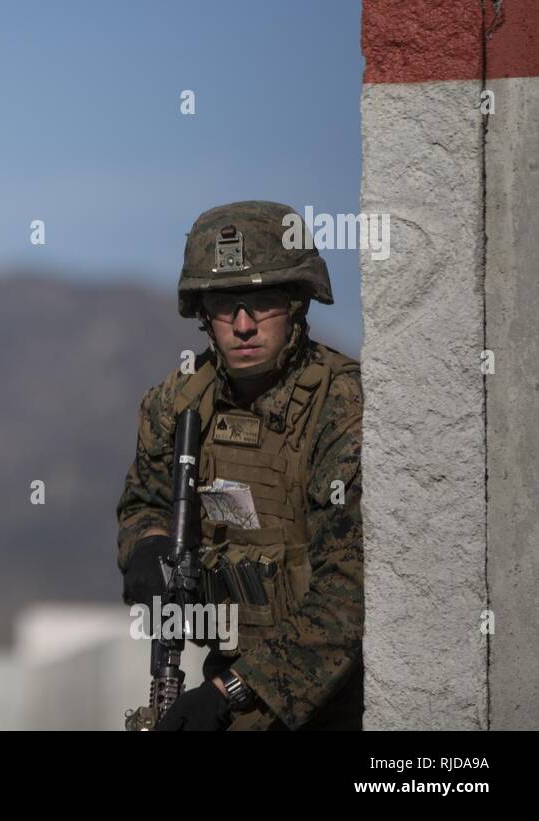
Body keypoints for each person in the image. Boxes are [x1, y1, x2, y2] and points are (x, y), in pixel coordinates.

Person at [117, 201, 363, 731]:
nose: (244, 326)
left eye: (263, 302)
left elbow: (349, 595)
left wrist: (232, 690)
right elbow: (144, 502)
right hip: (227, 682)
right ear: (204, 314)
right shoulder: (178, 404)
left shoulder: (342, 407)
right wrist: (146, 546)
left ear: (297, 304)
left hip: (335, 704)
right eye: (227, 305)